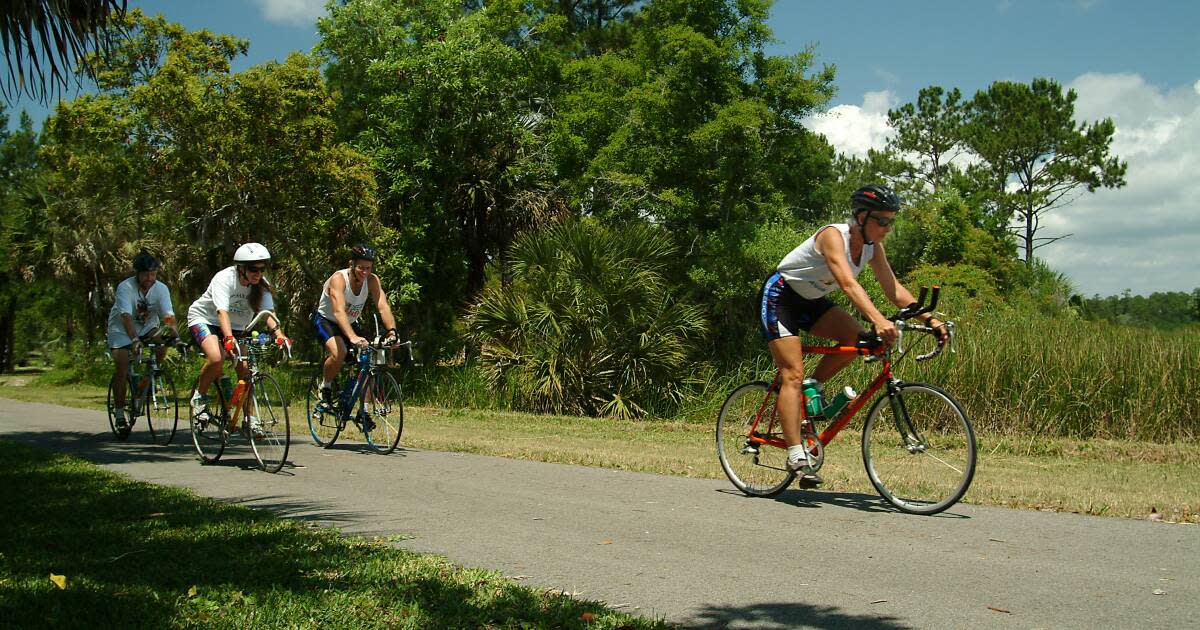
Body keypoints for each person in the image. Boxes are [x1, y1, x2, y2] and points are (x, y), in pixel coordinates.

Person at [760, 184, 948, 482]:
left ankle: (814, 386)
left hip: (810, 301)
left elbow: (895, 290)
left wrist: (931, 320)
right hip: (781, 297)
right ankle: (796, 453)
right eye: (882, 221)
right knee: (791, 373)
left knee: (857, 340)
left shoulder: (873, 248)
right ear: (862, 217)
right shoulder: (833, 236)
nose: (888, 228)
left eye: (891, 221)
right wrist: (877, 319)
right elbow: (848, 284)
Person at [187, 243, 289, 430]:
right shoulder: (225, 278)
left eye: (261, 269)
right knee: (217, 357)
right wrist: (227, 338)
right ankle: (199, 397)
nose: (258, 274)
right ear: (241, 268)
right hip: (206, 319)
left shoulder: (262, 286)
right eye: (253, 269)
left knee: (246, 370)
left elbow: (268, 314)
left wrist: (280, 336)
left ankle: (249, 419)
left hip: (237, 326)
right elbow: (221, 312)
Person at [311, 243, 399, 408]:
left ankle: (363, 409)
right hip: (327, 320)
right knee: (340, 352)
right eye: (361, 268)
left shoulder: (372, 280)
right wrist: (352, 337)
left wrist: (392, 333)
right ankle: (325, 386)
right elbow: (338, 311)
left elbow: (383, 307)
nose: (365, 272)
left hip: (350, 322)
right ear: (351, 264)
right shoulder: (338, 279)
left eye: (368, 268)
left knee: (369, 358)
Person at [106, 253, 176, 430]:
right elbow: (125, 315)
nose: (149, 278)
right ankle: (120, 413)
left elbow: (168, 315)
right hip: (121, 329)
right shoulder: (125, 287)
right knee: (122, 366)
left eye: (153, 274)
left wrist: (175, 335)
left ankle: (145, 382)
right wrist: (134, 340)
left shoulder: (161, 289)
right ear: (137, 273)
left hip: (147, 327)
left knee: (162, 346)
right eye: (145, 274)